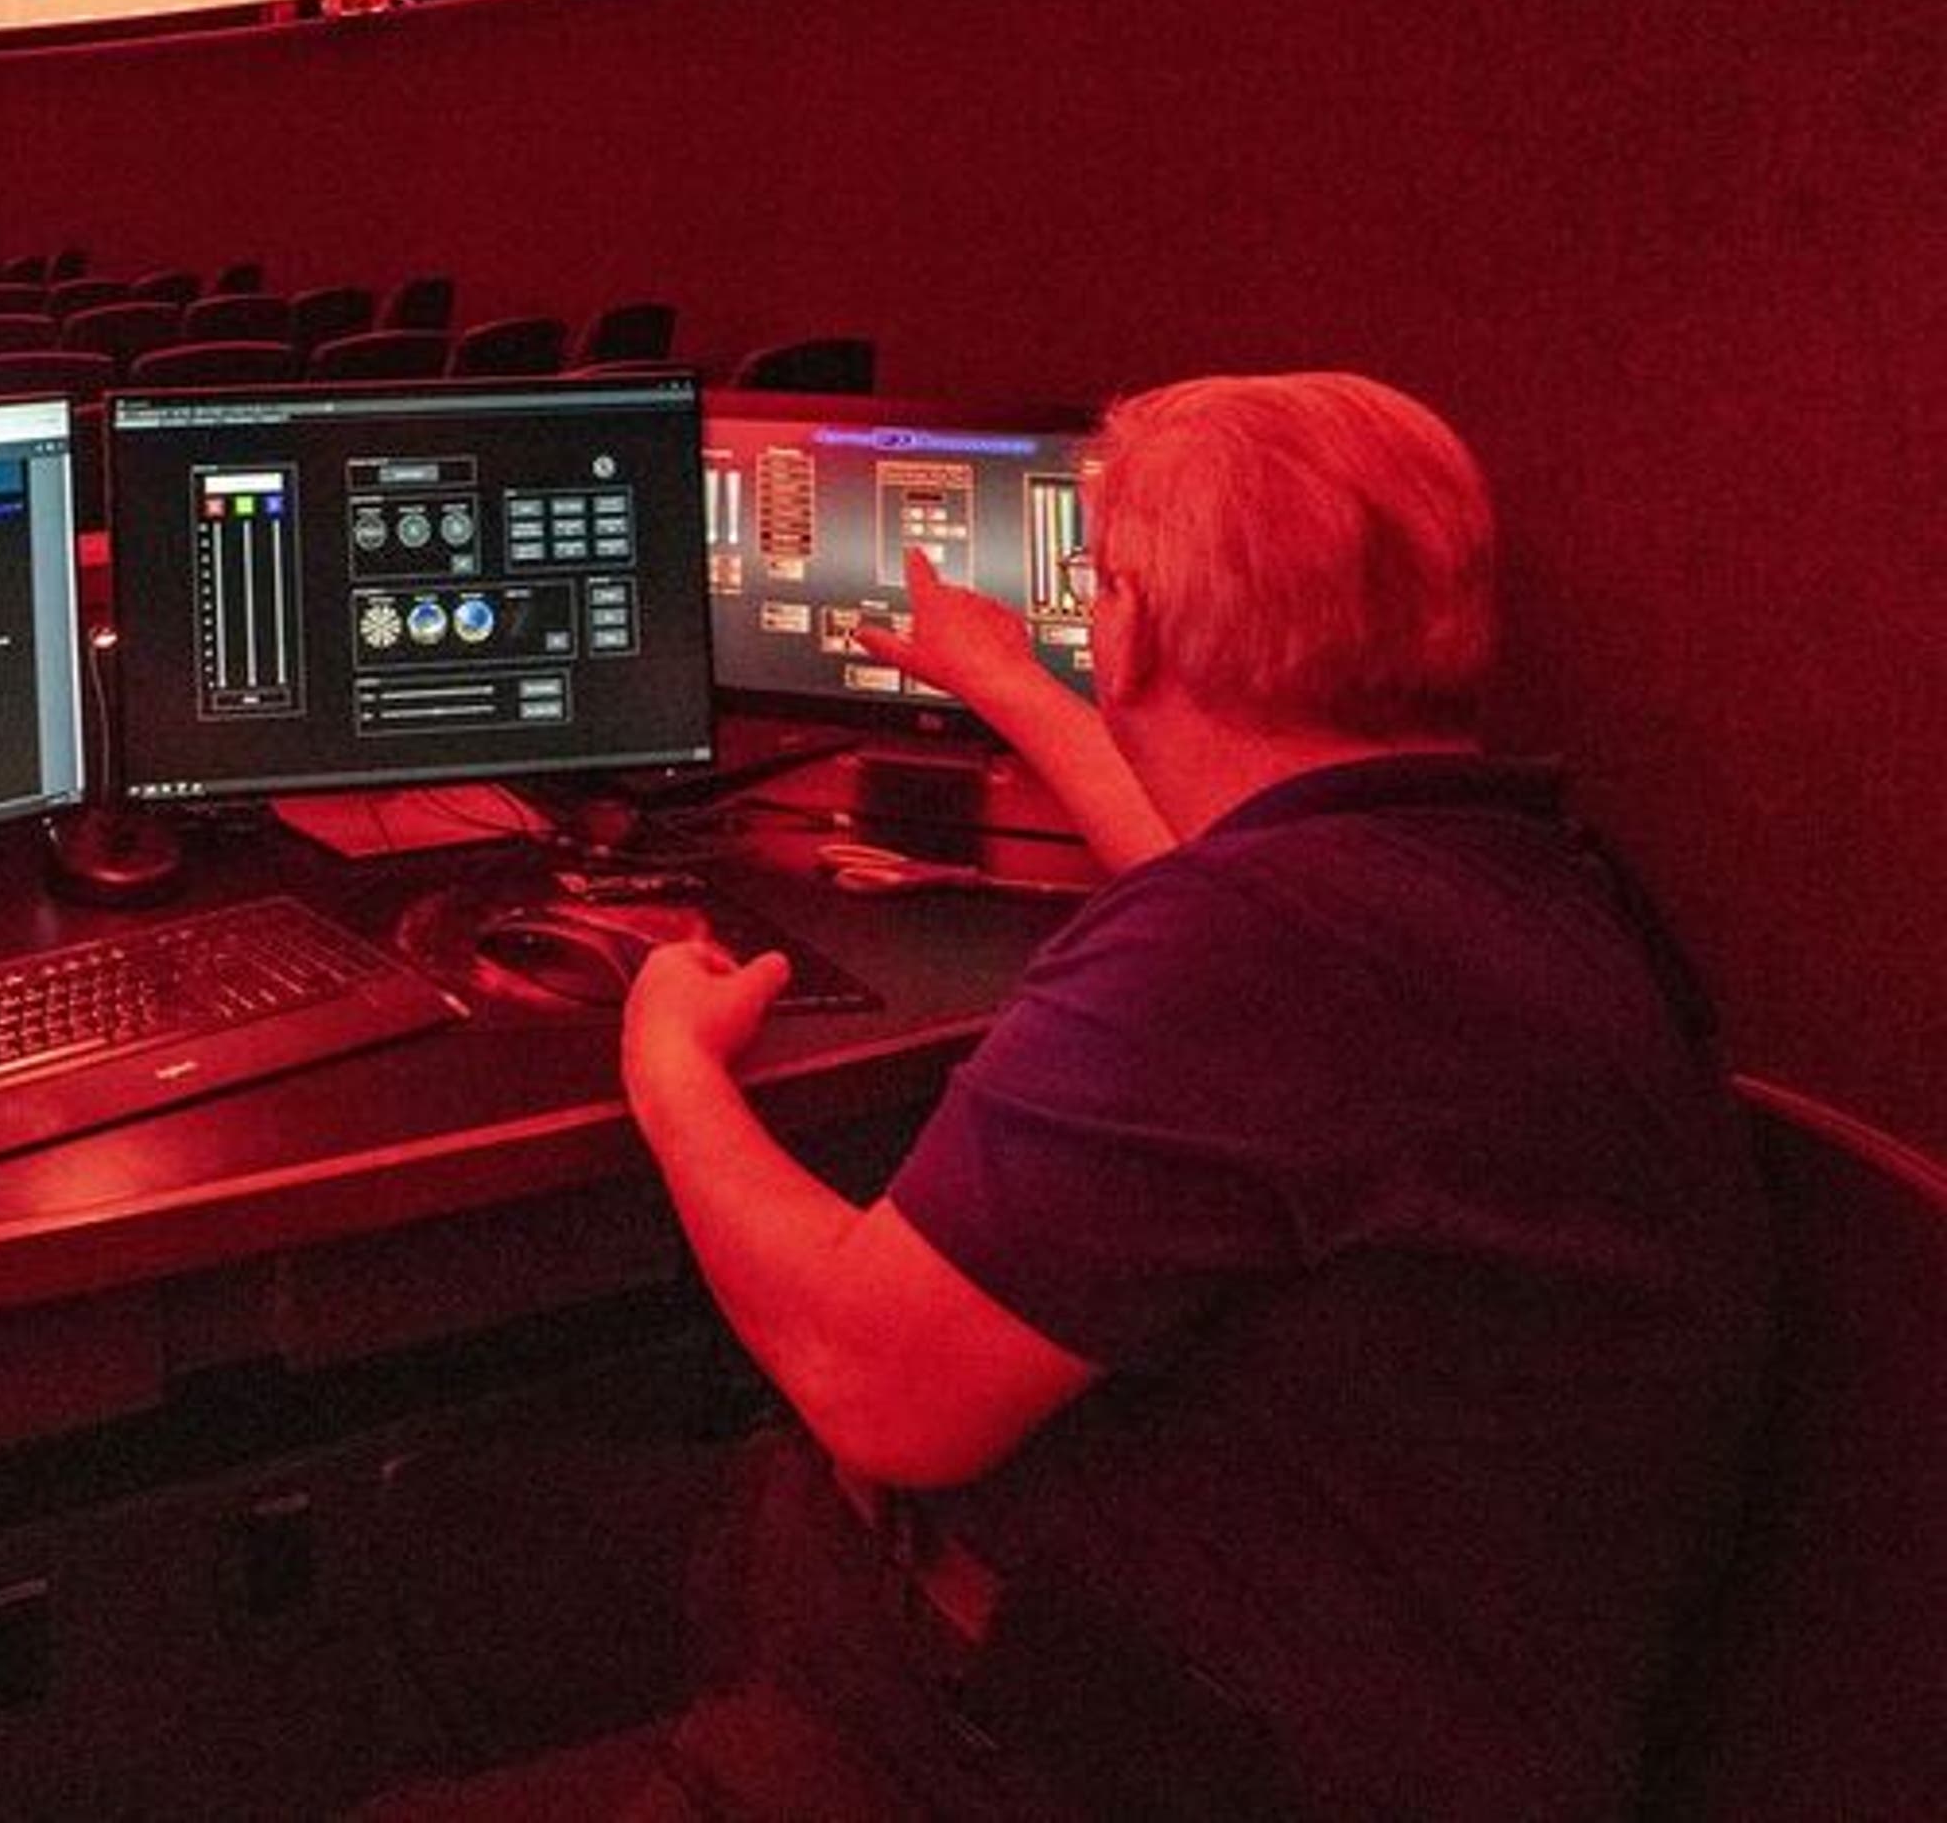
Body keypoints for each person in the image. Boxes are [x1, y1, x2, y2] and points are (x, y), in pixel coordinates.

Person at [618, 372, 1771, 1817]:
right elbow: (1208, 870)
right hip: (1440, 1712)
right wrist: (1017, 685)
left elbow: (874, 1384)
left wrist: (667, 1065)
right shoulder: (1514, 879)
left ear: (1140, 623)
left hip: (1149, 1753)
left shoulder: (1257, 952)